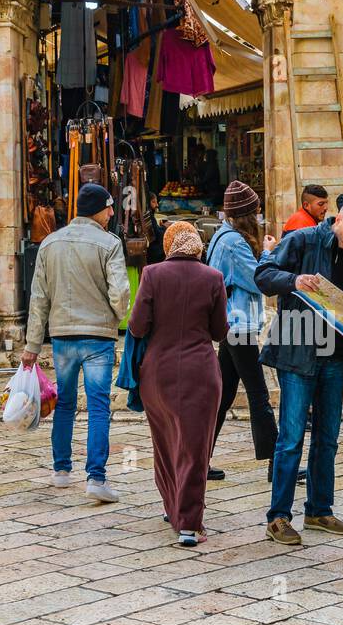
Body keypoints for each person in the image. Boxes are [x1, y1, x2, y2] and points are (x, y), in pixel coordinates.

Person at [256, 199, 343, 546]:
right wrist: (295, 280)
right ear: (338, 219)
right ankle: (278, 517)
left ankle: (319, 509)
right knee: (291, 437)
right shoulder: (302, 239)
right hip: (298, 350)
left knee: (329, 437)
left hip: (335, 353)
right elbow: (263, 275)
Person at [22, 183, 130, 503]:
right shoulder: (109, 244)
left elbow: (39, 297)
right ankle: (96, 477)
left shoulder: (49, 244)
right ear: (97, 209)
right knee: (98, 406)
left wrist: (31, 345)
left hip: (63, 337)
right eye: (109, 207)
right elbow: (121, 293)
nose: (112, 213)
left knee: (65, 403)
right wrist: (116, 318)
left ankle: (61, 470)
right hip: (98, 336)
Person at [128, 221, 229, 547]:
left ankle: (173, 506)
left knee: (166, 444)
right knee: (195, 449)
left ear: (170, 246)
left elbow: (137, 326)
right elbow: (219, 331)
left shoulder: (152, 274)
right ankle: (188, 522)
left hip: (159, 374)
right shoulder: (213, 278)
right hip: (200, 373)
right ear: (198, 247)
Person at [207, 181, 279, 481]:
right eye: (257, 212)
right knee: (258, 395)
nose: (260, 217)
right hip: (239, 327)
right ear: (247, 214)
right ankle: (278, 463)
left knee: (222, 396)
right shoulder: (235, 243)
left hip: (230, 325)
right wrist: (267, 252)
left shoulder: (221, 236)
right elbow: (259, 279)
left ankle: (200, 458)